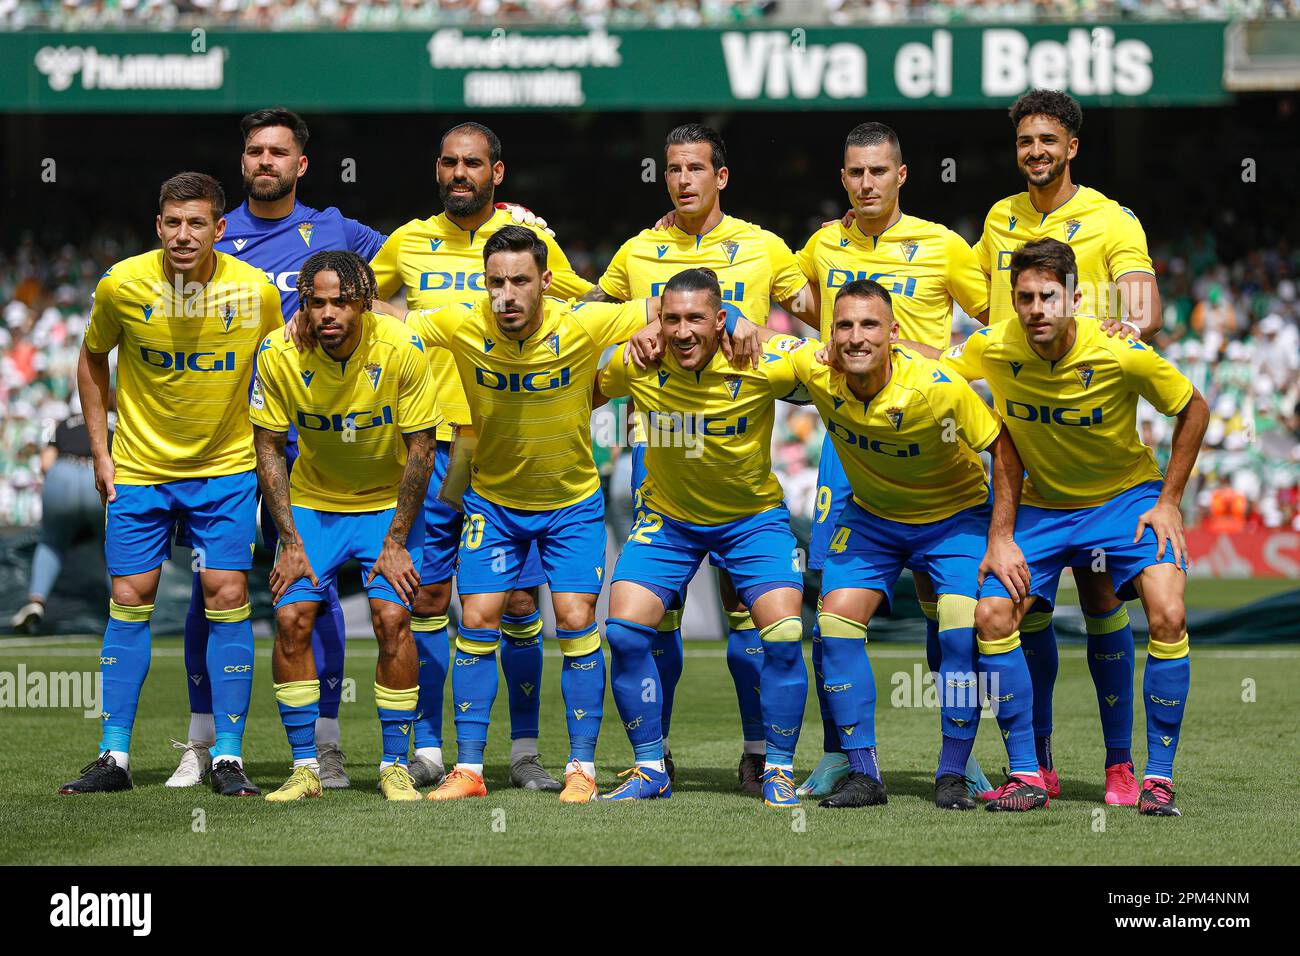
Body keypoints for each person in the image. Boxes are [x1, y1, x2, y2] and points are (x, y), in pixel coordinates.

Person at [583, 123, 819, 792]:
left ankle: (761, 757)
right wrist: (632, 335)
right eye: (672, 169)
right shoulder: (638, 251)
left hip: (743, 485)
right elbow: (589, 329)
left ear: (721, 176)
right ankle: (652, 762)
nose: (682, 180)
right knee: (648, 626)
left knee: (757, 624)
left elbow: (826, 326)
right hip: (658, 470)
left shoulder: (764, 247)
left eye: (695, 168)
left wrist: (757, 322)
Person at [940, 238, 1208, 816]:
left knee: (1168, 612)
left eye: (1047, 296)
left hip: (1123, 500)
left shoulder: (1121, 351)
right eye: (1024, 298)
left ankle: (1154, 778)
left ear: (1075, 297)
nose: (1035, 309)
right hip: (1043, 507)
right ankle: (1027, 775)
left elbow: (1194, 408)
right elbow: (929, 364)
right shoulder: (993, 346)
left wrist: (1169, 502)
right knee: (990, 615)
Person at [368, 122, 593, 791]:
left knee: (520, 601)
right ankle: (435, 749)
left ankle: (523, 751)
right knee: (433, 597)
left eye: (473, 163)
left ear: (498, 172)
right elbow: (368, 300)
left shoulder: (530, 237)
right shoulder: (408, 240)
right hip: (440, 446)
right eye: (448, 162)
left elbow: (584, 306)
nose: (459, 171)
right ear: (437, 169)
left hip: (509, 444)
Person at [169, 107, 387, 791]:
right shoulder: (209, 235)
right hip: (229, 451)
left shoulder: (337, 230)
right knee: (211, 595)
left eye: (278, 152)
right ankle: (202, 745)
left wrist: (519, 224)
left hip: (312, 451)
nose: (265, 162)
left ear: (301, 165)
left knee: (311, 595)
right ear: (243, 163)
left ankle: (324, 748)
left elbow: (422, 269)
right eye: (255, 152)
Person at [764, 279, 1043, 810]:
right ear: (829, 335)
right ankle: (864, 775)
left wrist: (1002, 537)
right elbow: (747, 337)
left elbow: (1002, 447)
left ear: (893, 333)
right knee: (834, 622)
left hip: (954, 519)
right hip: (873, 519)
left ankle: (952, 773)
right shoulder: (816, 370)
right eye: (844, 326)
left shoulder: (936, 386)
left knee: (961, 630)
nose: (855, 337)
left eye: (869, 325)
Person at [405, 225, 658, 803]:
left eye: (520, 281)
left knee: (573, 619)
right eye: (496, 282)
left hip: (571, 502)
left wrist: (737, 321)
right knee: (478, 619)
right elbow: (390, 327)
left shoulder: (583, 323)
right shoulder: (461, 322)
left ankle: (582, 768)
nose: (507, 295)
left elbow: (670, 301)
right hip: (490, 500)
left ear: (545, 282)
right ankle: (469, 770)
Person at [59, 172, 281, 797]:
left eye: (197, 223)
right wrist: (100, 453)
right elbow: (91, 357)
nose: (184, 235)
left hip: (225, 470)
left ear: (221, 228)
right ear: (158, 226)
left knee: (226, 593)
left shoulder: (256, 291)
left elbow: (284, 362)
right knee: (130, 599)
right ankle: (114, 756)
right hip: (139, 471)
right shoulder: (123, 284)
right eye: (173, 223)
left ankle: (228, 757)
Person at [971, 89, 1165, 803]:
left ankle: (1120, 765)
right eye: (1026, 141)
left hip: (1093, 449)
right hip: (1024, 448)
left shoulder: (1111, 218)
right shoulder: (998, 219)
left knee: (1102, 595)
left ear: (1072, 147)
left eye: (1048, 140)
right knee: (1028, 606)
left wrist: (1120, 322)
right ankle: (1039, 761)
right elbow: (988, 312)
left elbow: (1143, 302)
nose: (1036, 152)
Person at [794, 121, 993, 799]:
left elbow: (1002, 326)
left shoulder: (942, 246)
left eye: (879, 171)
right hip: (850, 445)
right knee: (830, 601)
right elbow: (784, 299)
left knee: (950, 612)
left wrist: (951, 363)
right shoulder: (822, 245)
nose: (866, 183)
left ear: (901, 176)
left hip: (932, 440)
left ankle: (959, 757)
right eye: (855, 172)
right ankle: (840, 752)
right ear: (842, 177)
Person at [595, 267, 807, 807]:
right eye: (671, 319)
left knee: (781, 637)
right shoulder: (638, 362)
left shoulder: (760, 357)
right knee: (622, 633)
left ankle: (778, 767)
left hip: (752, 520)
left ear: (720, 321)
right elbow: (574, 377)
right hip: (669, 521)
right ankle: (650, 766)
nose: (683, 332)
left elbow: (835, 363)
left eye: (695, 319)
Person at [252, 251, 440, 802]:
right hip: (313, 503)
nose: (328, 313)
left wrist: (397, 541)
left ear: (364, 302)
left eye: (340, 301)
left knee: (391, 619)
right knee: (290, 618)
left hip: (387, 505)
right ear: (303, 307)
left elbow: (422, 447)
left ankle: (393, 765)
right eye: (316, 303)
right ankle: (306, 768)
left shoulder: (402, 348)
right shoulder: (279, 351)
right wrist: (287, 541)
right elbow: (267, 446)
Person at [10, 402, 111, 634]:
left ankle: (36, 601)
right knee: (112, 543)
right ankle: (121, 607)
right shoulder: (119, 420)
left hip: (61, 473)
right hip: (98, 476)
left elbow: (46, 462)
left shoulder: (67, 422)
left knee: (51, 543)